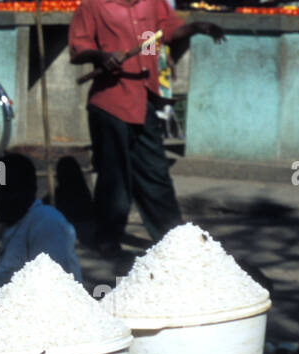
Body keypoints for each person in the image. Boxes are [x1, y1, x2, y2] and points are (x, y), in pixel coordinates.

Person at [68, 0, 225, 258]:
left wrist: (197, 26)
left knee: (156, 173)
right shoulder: (93, 5)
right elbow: (79, 47)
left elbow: (168, 30)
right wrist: (100, 56)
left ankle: (172, 238)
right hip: (111, 104)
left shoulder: (152, 3)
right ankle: (107, 239)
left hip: (144, 98)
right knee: (114, 178)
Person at [0, 153, 82, 295]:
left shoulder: (46, 222)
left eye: (10, 193)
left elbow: (52, 286)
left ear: (31, 190)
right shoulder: (16, 224)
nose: (1, 201)